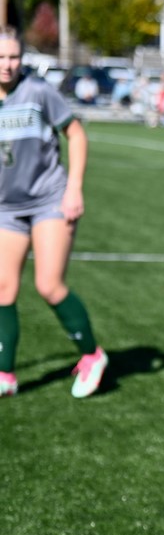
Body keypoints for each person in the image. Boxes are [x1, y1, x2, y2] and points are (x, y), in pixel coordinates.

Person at [0, 27, 107, 398]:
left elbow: (76, 134)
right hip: (6, 209)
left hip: (48, 200)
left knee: (48, 284)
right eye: (0, 58)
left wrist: (74, 187)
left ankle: (92, 355)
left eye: (13, 57)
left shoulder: (39, 92)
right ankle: (6, 375)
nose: (7, 65)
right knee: (3, 288)